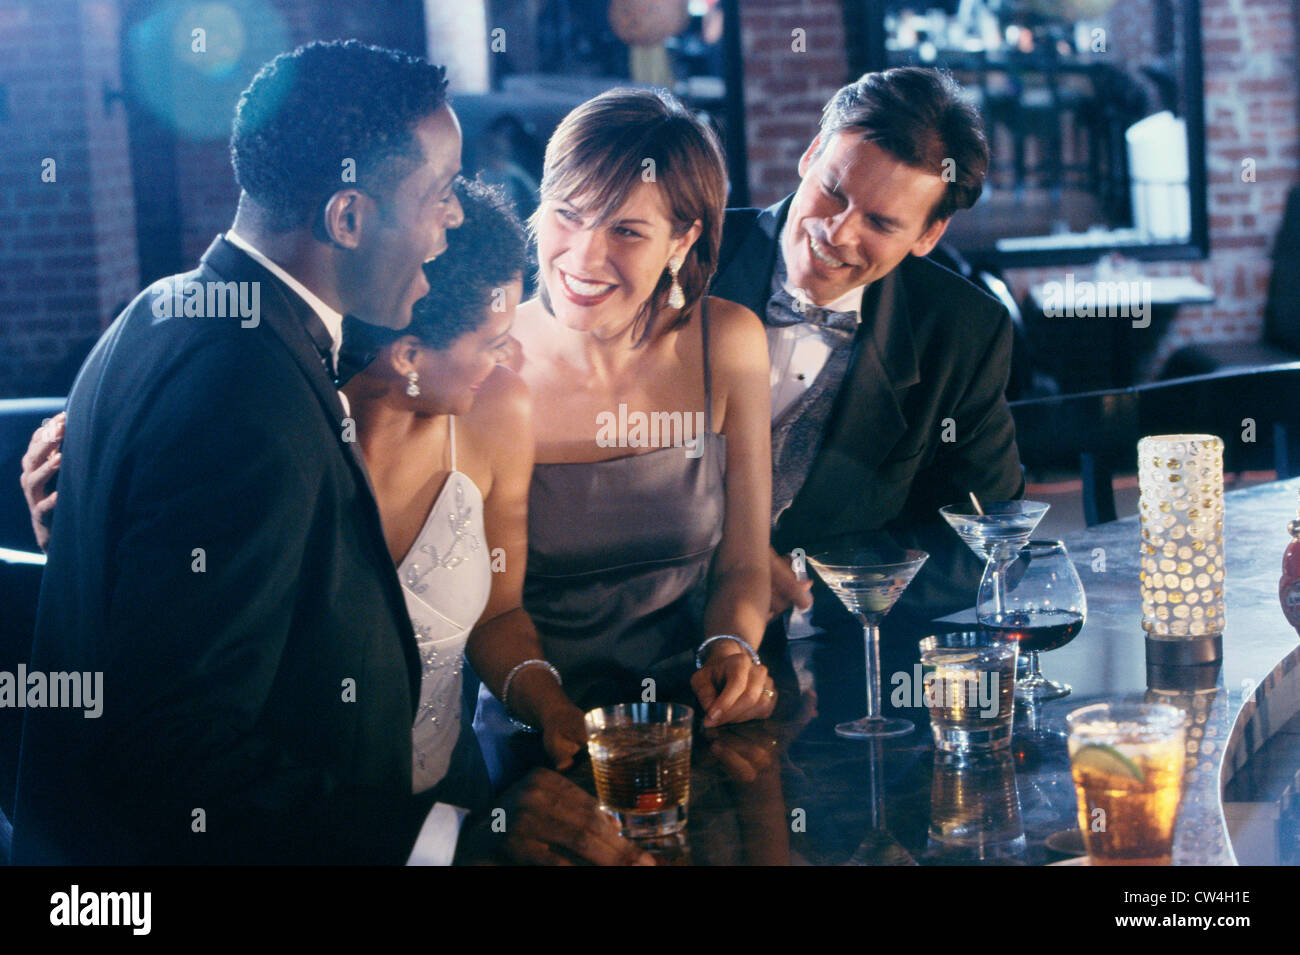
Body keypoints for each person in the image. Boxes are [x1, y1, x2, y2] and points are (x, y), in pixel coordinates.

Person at [14, 41, 650, 867]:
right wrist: (455, 841)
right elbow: (174, 748)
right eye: (440, 195)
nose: (455, 220)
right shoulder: (243, 390)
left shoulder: (164, 309)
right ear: (348, 218)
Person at [467, 88, 775, 784]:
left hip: (695, 730)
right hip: (538, 742)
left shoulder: (727, 343)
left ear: (684, 240)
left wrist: (731, 647)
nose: (583, 255)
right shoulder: (484, 366)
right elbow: (494, 611)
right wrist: (553, 712)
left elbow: (744, 567)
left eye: (627, 232)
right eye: (567, 215)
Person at [707, 67, 1025, 642]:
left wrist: (809, 590)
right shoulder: (682, 256)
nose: (837, 232)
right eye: (834, 190)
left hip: (828, 667)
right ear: (810, 155)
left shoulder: (961, 329)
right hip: (634, 651)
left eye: (880, 222)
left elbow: (987, 543)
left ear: (928, 235)